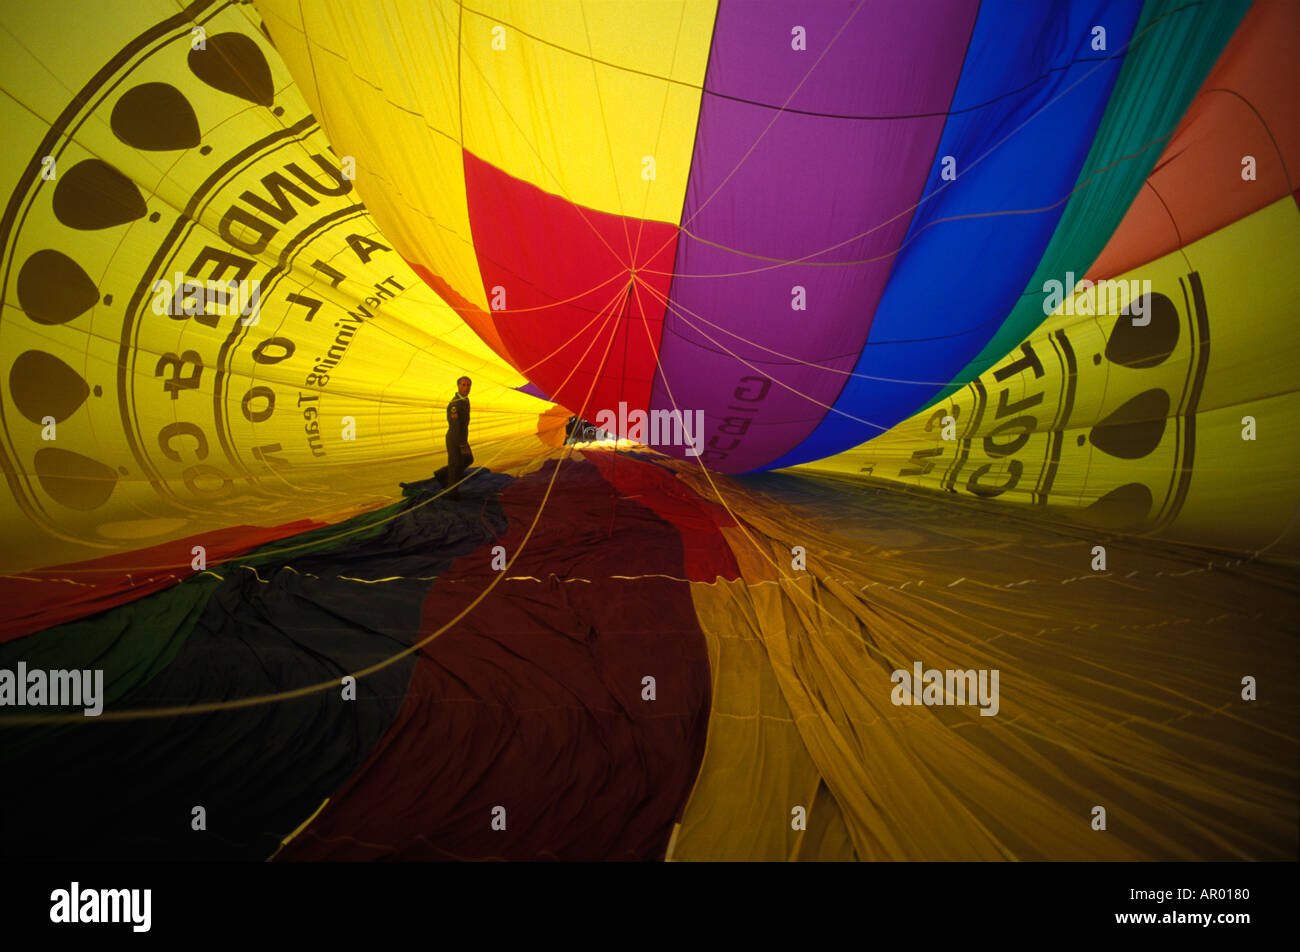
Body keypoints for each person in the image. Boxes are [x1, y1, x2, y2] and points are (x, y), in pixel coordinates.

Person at [433, 376, 473, 499]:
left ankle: (441, 474)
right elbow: (455, 426)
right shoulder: (455, 404)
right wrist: (461, 444)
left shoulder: (465, 400)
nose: (466, 388)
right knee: (456, 465)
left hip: (462, 437)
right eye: (463, 385)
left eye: (468, 385)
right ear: (458, 386)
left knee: (468, 460)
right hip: (454, 438)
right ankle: (452, 493)